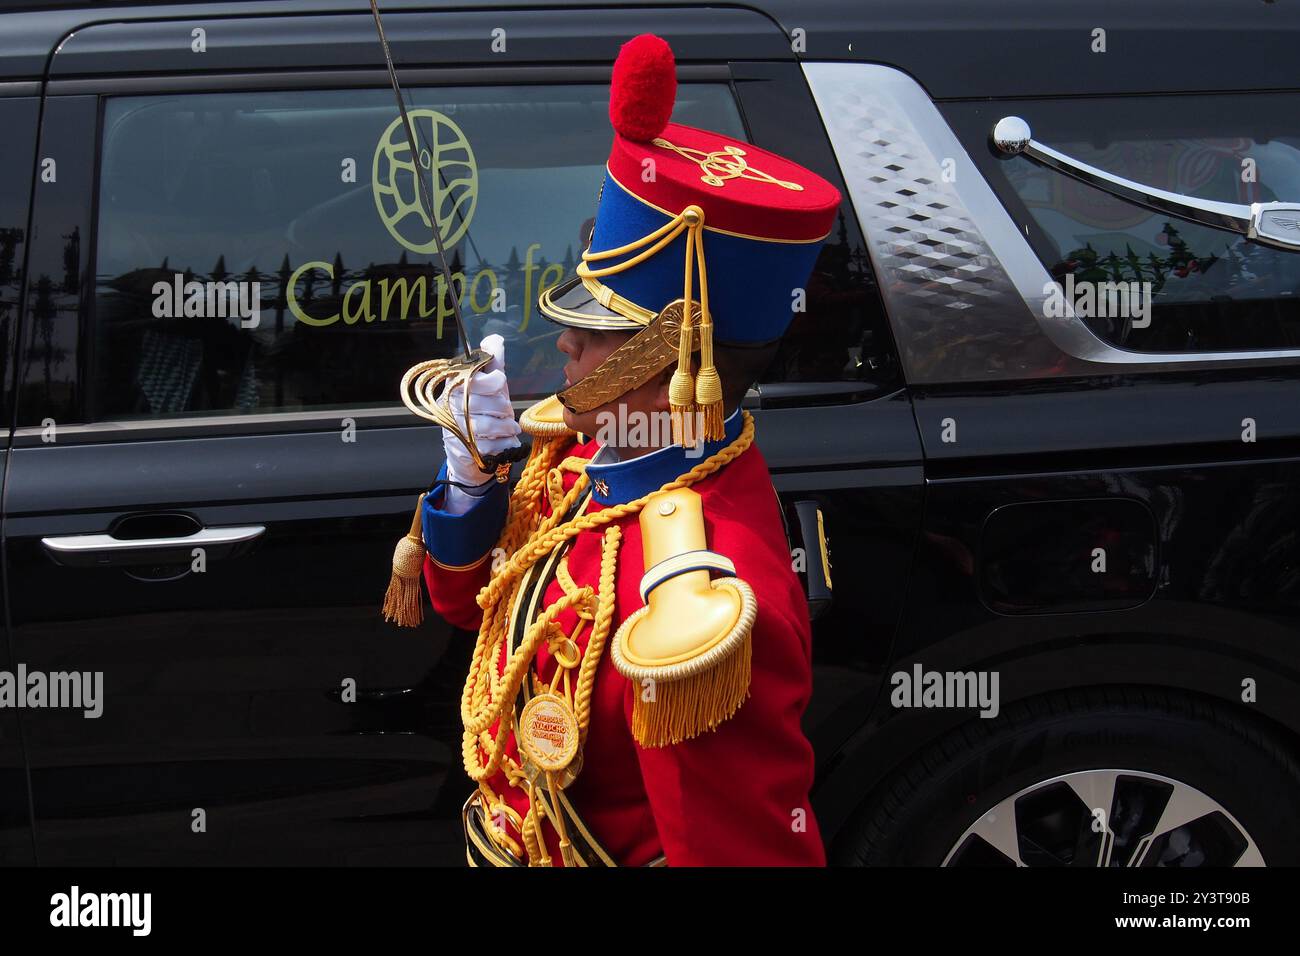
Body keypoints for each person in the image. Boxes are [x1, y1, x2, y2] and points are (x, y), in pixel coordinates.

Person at [382, 33, 842, 866]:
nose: (562, 344)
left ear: (671, 360)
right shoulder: (602, 451)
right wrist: (470, 486)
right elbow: (481, 614)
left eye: (594, 330)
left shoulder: (702, 599)